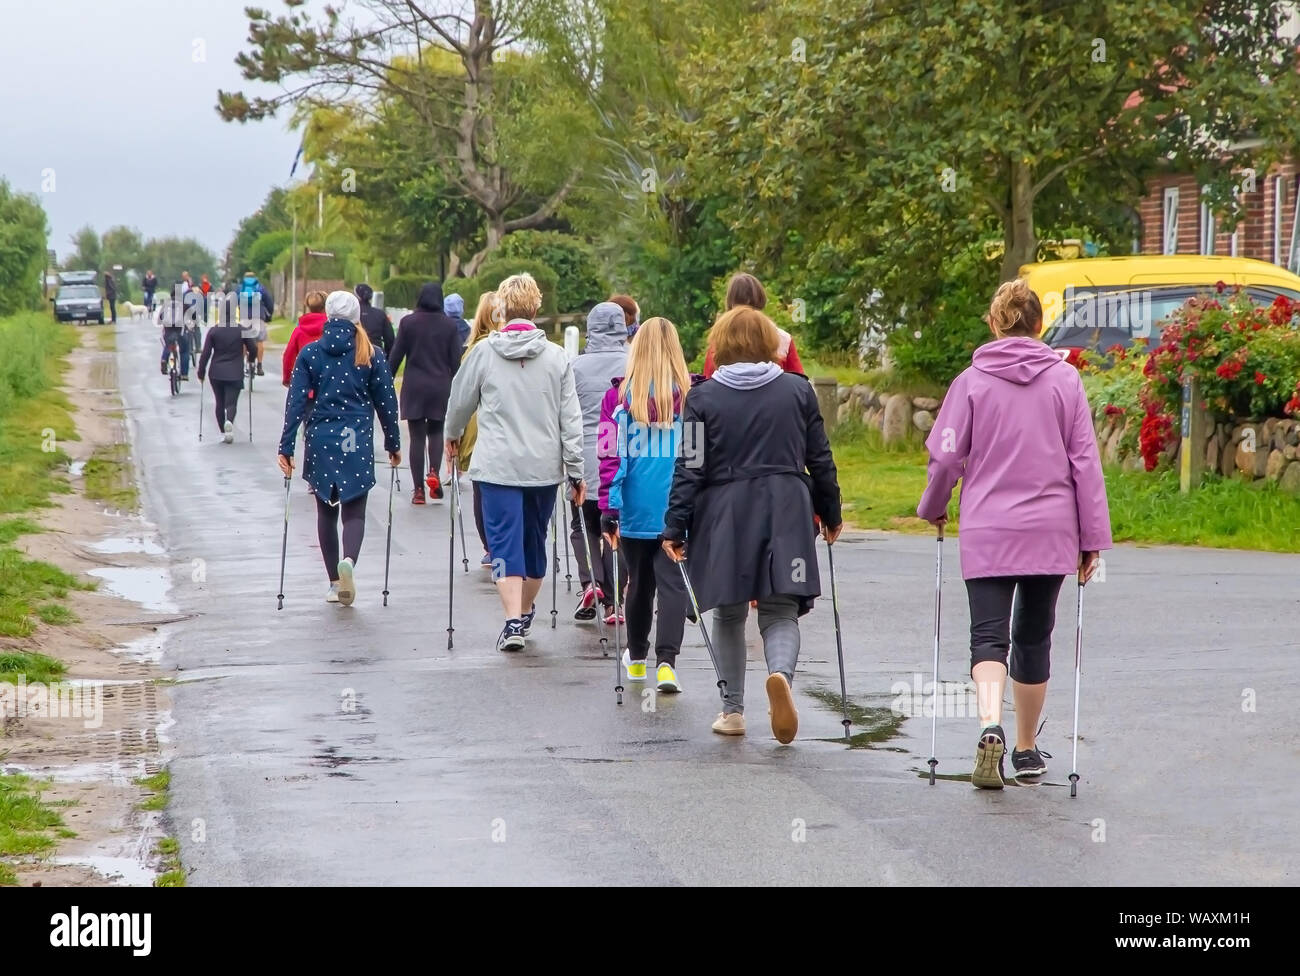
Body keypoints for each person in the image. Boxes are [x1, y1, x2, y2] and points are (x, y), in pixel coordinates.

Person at [917, 278, 1111, 789]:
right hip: (1051, 529)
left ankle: (989, 727)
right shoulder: (1065, 381)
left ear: (996, 322)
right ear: (1038, 325)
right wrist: (1091, 539)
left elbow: (946, 455)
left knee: (988, 636)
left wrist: (933, 506)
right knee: (1033, 636)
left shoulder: (971, 382)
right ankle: (1025, 749)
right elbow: (1085, 463)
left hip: (988, 528)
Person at [662, 306, 841, 743]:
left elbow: (690, 466)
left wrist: (675, 525)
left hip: (725, 511)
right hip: (788, 507)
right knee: (781, 609)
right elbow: (819, 458)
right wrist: (831, 512)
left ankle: (733, 710)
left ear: (720, 345)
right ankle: (780, 676)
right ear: (767, 343)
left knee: (727, 609)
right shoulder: (798, 391)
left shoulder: (702, 398)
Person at [444, 273, 584, 652]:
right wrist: (576, 470)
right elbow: (570, 419)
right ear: (537, 309)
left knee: (504, 545)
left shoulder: (483, 353)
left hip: (498, 467)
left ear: (501, 309)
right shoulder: (557, 357)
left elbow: (460, 401)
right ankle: (521, 613)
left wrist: (452, 435)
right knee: (534, 545)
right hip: (542, 468)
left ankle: (512, 621)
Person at [277, 291, 401, 606]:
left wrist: (287, 446)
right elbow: (386, 402)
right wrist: (393, 442)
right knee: (355, 512)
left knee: (326, 511)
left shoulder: (310, 353)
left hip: (320, 437)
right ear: (357, 317)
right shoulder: (371, 353)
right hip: (355, 437)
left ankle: (334, 581)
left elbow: (295, 403)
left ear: (329, 317)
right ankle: (349, 561)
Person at [598, 317, 700, 693]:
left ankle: (637, 659)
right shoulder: (691, 399)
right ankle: (667, 664)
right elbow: (697, 456)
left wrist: (609, 508)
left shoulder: (618, 398)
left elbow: (608, 455)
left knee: (638, 583)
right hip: (675, 505)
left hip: (633, 506)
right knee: (673, 583)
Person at [570, 301, 628, 625]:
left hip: (583, 456)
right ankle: (614, 602)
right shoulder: (635, 361)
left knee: (583, 525)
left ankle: (591, 583)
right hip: (619, 457)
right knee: (616, 528)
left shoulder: (575, 366)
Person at [389, 283, 463, 504]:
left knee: (417, 437)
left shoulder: (408, 323)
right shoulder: (449, 326)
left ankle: (418, 490)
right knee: (436, 433)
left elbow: (395, 357)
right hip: (440, 386)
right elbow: (455, 362)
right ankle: (433, 472)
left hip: (414, 386)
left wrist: (384, 382)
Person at [456, 291, 500, 566]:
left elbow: (461, 398)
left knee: (481, 489)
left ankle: (490, 546)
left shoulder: (472, 351)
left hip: (477, 429)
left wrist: (455, 434)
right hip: (504, 430)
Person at [701, 273, 804, 377]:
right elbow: (800, 383)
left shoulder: (720, 339)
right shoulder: (783, 338)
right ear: (760, 300)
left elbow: (708, 380)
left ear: (731, 303)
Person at [282, 292, 329, 485]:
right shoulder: (329, 328)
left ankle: (313, 475)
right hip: (328, 386)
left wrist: (288, 379)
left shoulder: (300, 330)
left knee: (310, 431)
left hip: (307, 390)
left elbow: (288, 355)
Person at [197, 315, 259, 443]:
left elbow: (206, 353)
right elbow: (253, 348)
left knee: (219, 402)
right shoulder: (242, 330)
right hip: (235, 372)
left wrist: (201, 372)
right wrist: (251, 360)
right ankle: (229, 421)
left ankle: (223, 432)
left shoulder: (214, 331)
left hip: (216, 372)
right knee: (231, 403)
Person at [238, 271, 273, 376]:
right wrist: (269, 315)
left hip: (244, 317)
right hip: (258, 317)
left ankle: (241, 365)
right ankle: (259, 366)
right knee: (259, 341)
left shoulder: (240, 288)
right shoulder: (261, 288)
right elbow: (269, 303)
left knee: (244, 341)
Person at [155, 282, 191, 381]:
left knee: (168, 345)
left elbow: (160, 318)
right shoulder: (185, 305)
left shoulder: (166, 305)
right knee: (184, 351)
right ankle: (184, 374)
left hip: (168, 330)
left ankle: (164, 360)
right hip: (181, 331)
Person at [356, 283, 395, 357]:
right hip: (376, 355)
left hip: (356, 356)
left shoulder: (352, 314)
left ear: (357, 297)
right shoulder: (380, 314)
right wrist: (386, 357)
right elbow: (390, 339)